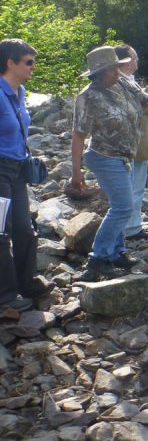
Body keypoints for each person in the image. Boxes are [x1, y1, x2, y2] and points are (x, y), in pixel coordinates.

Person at [70, 46, 148, 279]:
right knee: (123, 207)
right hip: (104, 157)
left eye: (118, 67)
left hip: (126, 157)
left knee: (120, 206)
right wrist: (76, 171)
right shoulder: (88, 97)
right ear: (98, 73)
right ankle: (98, 258)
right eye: (112, 69)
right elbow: (79, 135)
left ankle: (117, 252)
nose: (117, 72)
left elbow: (147, 101)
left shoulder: (123, 84)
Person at [0, 39, 51, 311]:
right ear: (10, 63)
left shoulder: (19, 93)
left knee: (24, 229)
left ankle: (25, 283)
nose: (33, 66)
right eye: (29, 62)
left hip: (17, 170)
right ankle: (5, 297)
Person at [114, 45, 148, 241]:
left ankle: (132, 226)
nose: (137, 62)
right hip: (130, 142)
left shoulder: (127, 80)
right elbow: (131, 109)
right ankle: (130, 229)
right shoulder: (119, 81)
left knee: (135, 186)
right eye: (134, 58)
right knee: (132, 187)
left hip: (137, 140)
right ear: (124, 62)